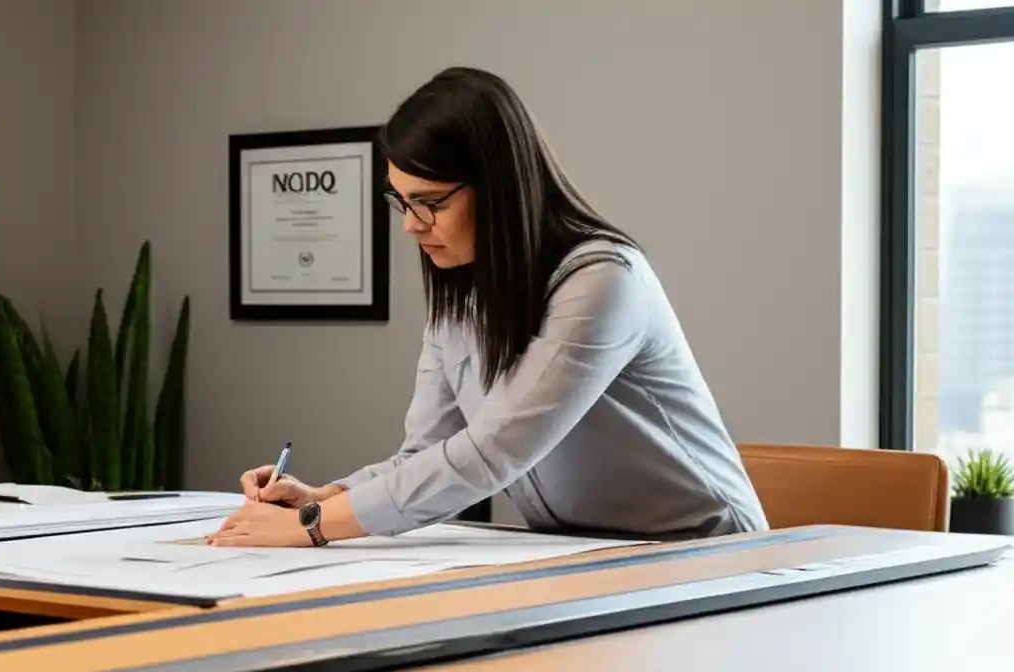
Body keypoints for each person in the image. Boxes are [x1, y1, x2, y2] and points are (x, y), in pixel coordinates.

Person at [208, 66, 768, 548]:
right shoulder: (461, 292)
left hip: (705, 552)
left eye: (429, 203)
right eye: (401, 201)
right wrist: (324, 497)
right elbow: (427, 454)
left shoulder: (604, 281)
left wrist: (311, 526)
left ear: (498, 187)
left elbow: (491, 453)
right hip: (582, 553)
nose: (410, 226)